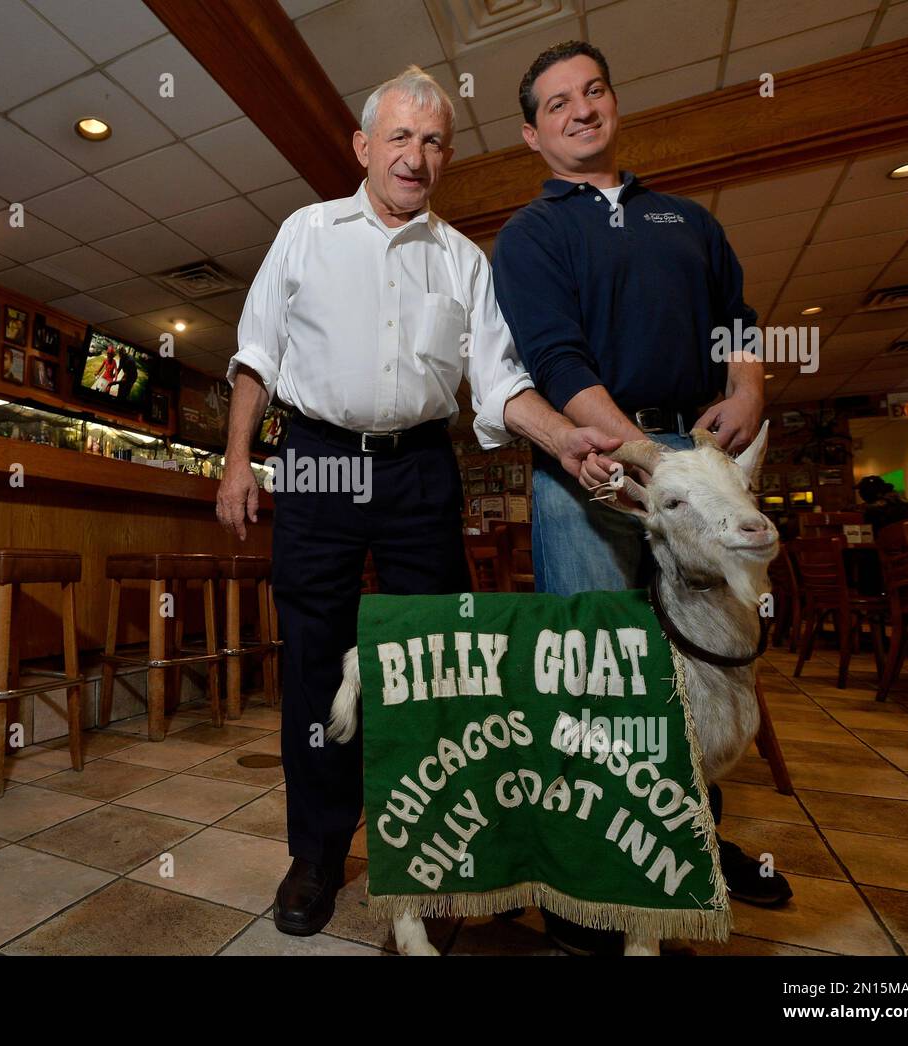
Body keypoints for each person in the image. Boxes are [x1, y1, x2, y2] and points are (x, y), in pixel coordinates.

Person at [216, 65, 620, 938]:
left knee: (433, 662)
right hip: (320, 459)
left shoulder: (465, 261)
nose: (416, 155)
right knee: (317, 663)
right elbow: (257, 354)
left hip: (419, 470)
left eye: (433, 140)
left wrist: (563, 439)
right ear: (364, 147)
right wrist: (238, 462)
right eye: (400, 136)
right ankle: (318, 852)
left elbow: (501, 383)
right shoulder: (306, 232)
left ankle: (432, 852)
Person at [491, 41, 791, 951]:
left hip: (697, 456)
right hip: (588, 466)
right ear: (533, 133)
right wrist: (638, 458)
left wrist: (748, 389)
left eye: (593, 92)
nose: (580, 110)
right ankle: (591, 882)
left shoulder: (688, 221)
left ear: (613, 103)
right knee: (597, 674)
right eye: (557, 103)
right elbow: (555, 357)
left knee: (706, 662)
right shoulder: (531, 234)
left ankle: (690, 842)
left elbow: (738, 322)